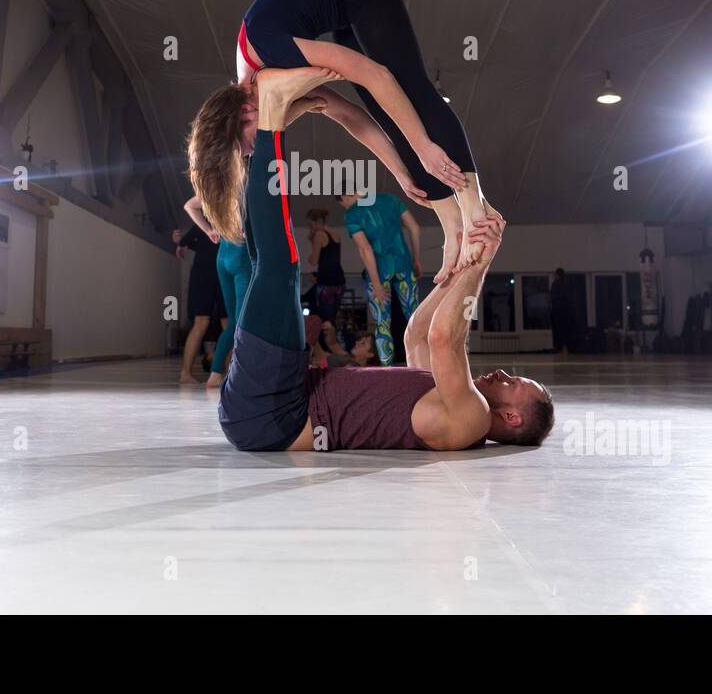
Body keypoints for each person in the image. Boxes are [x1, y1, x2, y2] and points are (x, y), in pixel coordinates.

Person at [214, 69, 553, 453]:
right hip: (273, 399)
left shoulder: (470, 419)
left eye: (515, 384)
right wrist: (460, 259)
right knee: (265, 264)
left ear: (512, 418)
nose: (505, 374)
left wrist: (483, 260)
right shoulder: (447, 393)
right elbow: (419, 335)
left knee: (279, 267)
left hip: (275, 415)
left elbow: (444, 339)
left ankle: (268, 122)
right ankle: (251, 143)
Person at [191, 0, 495, 284]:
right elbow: (351, 117)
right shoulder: (267, 93)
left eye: (248, 145)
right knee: (384, 109)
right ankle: (452, 226)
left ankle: (475, 212)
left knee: (409, 86)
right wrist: (401, 171)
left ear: (245, 114)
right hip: (339, 15)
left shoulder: (270, 60)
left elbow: (375, 74)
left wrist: (422, 147)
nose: (254, 150)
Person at [338, 190, 422, 366]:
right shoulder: (391, 198)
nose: (344, 206)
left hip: (379, 271)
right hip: (404, 265)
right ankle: (424, 365)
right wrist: (416, 259)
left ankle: (388, 372)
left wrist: (376, 283)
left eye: (342, 202)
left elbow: (365, 249)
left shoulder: (352, 213)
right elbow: (414, 228)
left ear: (346, 196)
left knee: (382, 324)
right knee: (415, 319)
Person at [181, 197, 251, 391]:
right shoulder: (244, 188)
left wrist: (208, 230)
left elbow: (189, 206)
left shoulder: (216, 189)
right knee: (240, 322)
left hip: (222, 257)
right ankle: (237, 373)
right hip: (240, 255)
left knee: (231, 322)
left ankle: (215, 374)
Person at [172, 219, 225, 385]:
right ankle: (186, 373)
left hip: (211, 270)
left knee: (218, 322)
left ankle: (186, 373)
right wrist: (181, 242)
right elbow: (196, 240)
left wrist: (180, 242)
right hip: (214, 270)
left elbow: (193, 241)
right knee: (221, 323)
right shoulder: (216, 217)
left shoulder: (211, 218)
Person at [305, 208, 346, 324]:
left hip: (326, 283)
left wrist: (312, 243)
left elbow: (313, 260)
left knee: (324, 320)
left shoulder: (319, 235)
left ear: (317, 221)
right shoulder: (336, 234)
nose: (310, 227)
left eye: (310, 224)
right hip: (339, 281)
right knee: (332, 318)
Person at [304, 315, 377, 369]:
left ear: (370, 354)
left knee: (315, 321)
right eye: (360, 340)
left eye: (363, 343)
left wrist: (312, 332)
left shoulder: (353, 368)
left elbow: (321, 357)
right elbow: (333, 344)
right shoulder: (349, 357)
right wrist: (331, 331)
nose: (357, 342)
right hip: (308, 365)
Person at [550, 267, 576, 356]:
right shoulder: (567, 284)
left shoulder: (556, 284)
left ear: (557, 275)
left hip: (558, 311)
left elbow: (553, 297)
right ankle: (568, 348)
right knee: (567, 331)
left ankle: (561, 348)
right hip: (567, 312)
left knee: (559, 331)